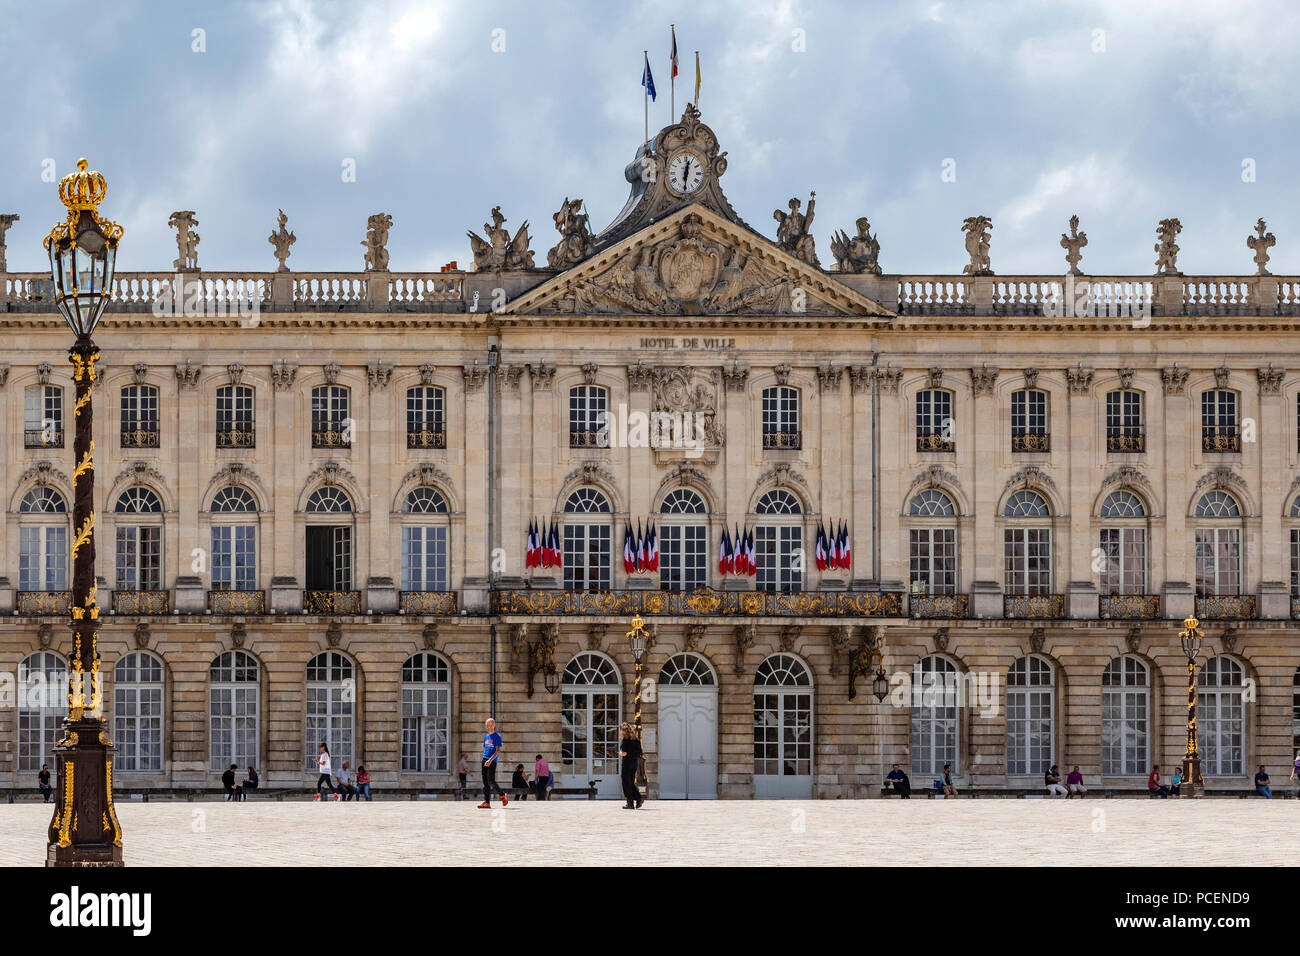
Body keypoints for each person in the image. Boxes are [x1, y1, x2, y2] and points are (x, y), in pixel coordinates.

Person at [478, 717, 508, 808]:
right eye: (487, 725)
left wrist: (490, 760)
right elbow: (485, 749)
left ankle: (502, 795)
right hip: (484, 760)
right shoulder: (486, 736)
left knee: (491, 781)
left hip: (492, 761)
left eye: (490, 725)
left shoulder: (497, 736)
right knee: (485, 783)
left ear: (494, 725)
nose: (488, 727)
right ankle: (487, 802)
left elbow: (497, 751)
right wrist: (484, 760)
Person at [619, 721, 643, 809]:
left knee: (626, 783)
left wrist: (622, 753)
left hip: (626, 763)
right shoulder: (636, 739)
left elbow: (624, 752)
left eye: (621, 730)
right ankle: (637, 799)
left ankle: (631, 801)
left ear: (623, 731)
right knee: (631, 782)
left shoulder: (625, 740)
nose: (620, 732)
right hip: (634, 763)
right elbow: (640, 752)